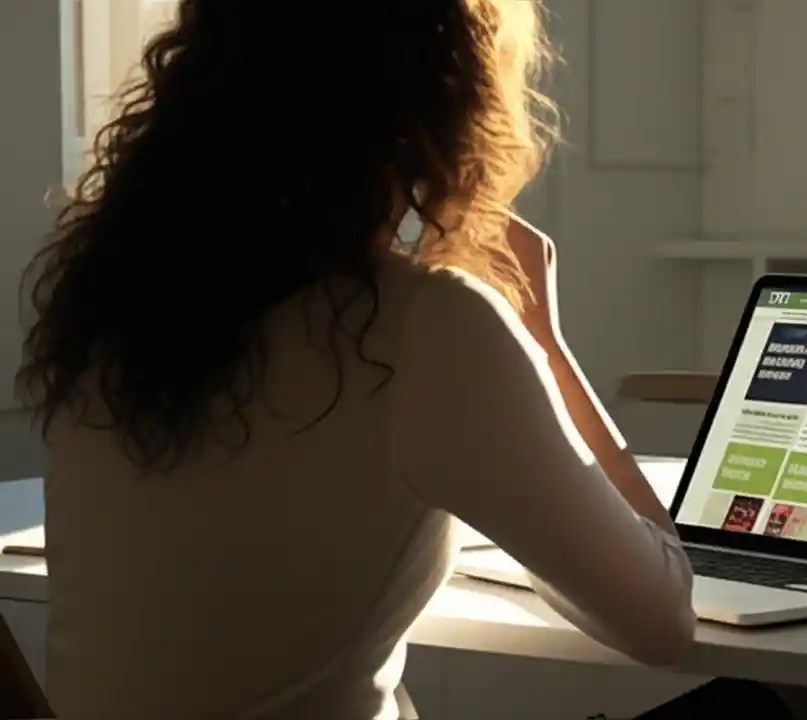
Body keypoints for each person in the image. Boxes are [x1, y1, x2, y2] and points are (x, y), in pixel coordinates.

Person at [17, 2, 695, 717]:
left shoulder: (111, 304)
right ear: (443, 99)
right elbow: (660, 619)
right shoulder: (421, 324)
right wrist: (543, 343)